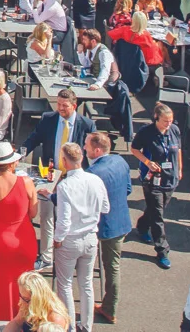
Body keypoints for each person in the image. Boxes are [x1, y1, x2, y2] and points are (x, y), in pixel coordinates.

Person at [22, 89, 96, 266]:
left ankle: (68, 255)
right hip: (50, 175)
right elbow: (34, 139)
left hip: (73, 179)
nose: (60, 109)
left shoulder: (86, 125)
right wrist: (19, 154)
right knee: (46, 216)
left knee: (70, 217)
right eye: (58, 104)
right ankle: (46, 257)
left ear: (74, 105)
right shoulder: (49, 119)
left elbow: (91, 154)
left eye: (65, 106)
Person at [50, 142, 108, 329]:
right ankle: (87, 326)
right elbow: (106, 207)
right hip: (91, 238)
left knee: (65, 285)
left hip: (70, 240)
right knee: (86, 284)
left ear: (65, 161)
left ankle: (70, 327)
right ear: (81, 158)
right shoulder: (96, 180)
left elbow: (64, 220)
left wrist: (57, 240)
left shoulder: (65, 186)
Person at [0, 143, 39, 321]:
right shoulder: (27, 182)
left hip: (1, 240)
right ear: (12, 163)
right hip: (24, 237)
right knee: (27, 283)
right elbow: (33, 213)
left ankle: (1, 322)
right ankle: (27, 320)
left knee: (1, 282)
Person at [84, 131, 132, 326]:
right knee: (112, 265)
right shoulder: (120, 162)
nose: (83, 147)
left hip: (103, 227)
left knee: (109, 267)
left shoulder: (93, 174)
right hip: (121, 222)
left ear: (96, 150)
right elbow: (128, 189)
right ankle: (108, 306)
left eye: (86, 145)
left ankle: (109, 309)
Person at [130, 102, 182, 269]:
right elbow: (134, 149)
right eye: (165, 121)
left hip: (170, 178)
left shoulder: (174, 130)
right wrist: (148, 162)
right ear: (156, 119)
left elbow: (178, 150)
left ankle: (142, 225)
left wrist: (180, 169)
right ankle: (162, 250)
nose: (169, 124)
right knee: (158, 216)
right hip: (152, 179)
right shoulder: (147, 132)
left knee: (155, 209)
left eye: (171, 120)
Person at [78, 28, 133, 142]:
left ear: (93, 41)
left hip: (110, 87)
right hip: (98, 82)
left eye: (85, 40)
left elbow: (105, 70)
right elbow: (86, 64)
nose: (83, 42)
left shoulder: (104, 52)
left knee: (79, 95)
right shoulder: (91, 49)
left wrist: (98, 84)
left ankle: (77, 126)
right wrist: (80, 53)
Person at [5, 271, 70, 332]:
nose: (21, 302)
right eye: (20, 296)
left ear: (37, 299)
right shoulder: (26, 305)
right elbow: (17, 322)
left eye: (26, 299)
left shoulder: (55, 319)